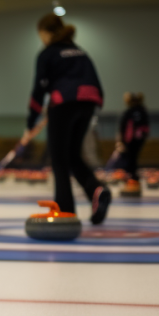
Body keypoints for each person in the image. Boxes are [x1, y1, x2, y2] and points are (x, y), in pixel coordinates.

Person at [23, 14, 111, 223]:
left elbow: (38, 89)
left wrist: (30, 124)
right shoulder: (81, 52)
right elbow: (95, 83)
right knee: (72, 156)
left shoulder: (47, 53)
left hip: (63, 105)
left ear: (44, 33)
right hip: (88, 104)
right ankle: (97, 191)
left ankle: (65, 212)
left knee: (60, 160)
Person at [114, 92, 149, 182]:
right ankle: (131, 174)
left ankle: (130, 175)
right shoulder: (143, 111)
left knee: (129, 158)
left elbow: (122, 127)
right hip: (139, 139)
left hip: (129, 140)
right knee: (133, 157)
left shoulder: (129, 112)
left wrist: (121, 140)